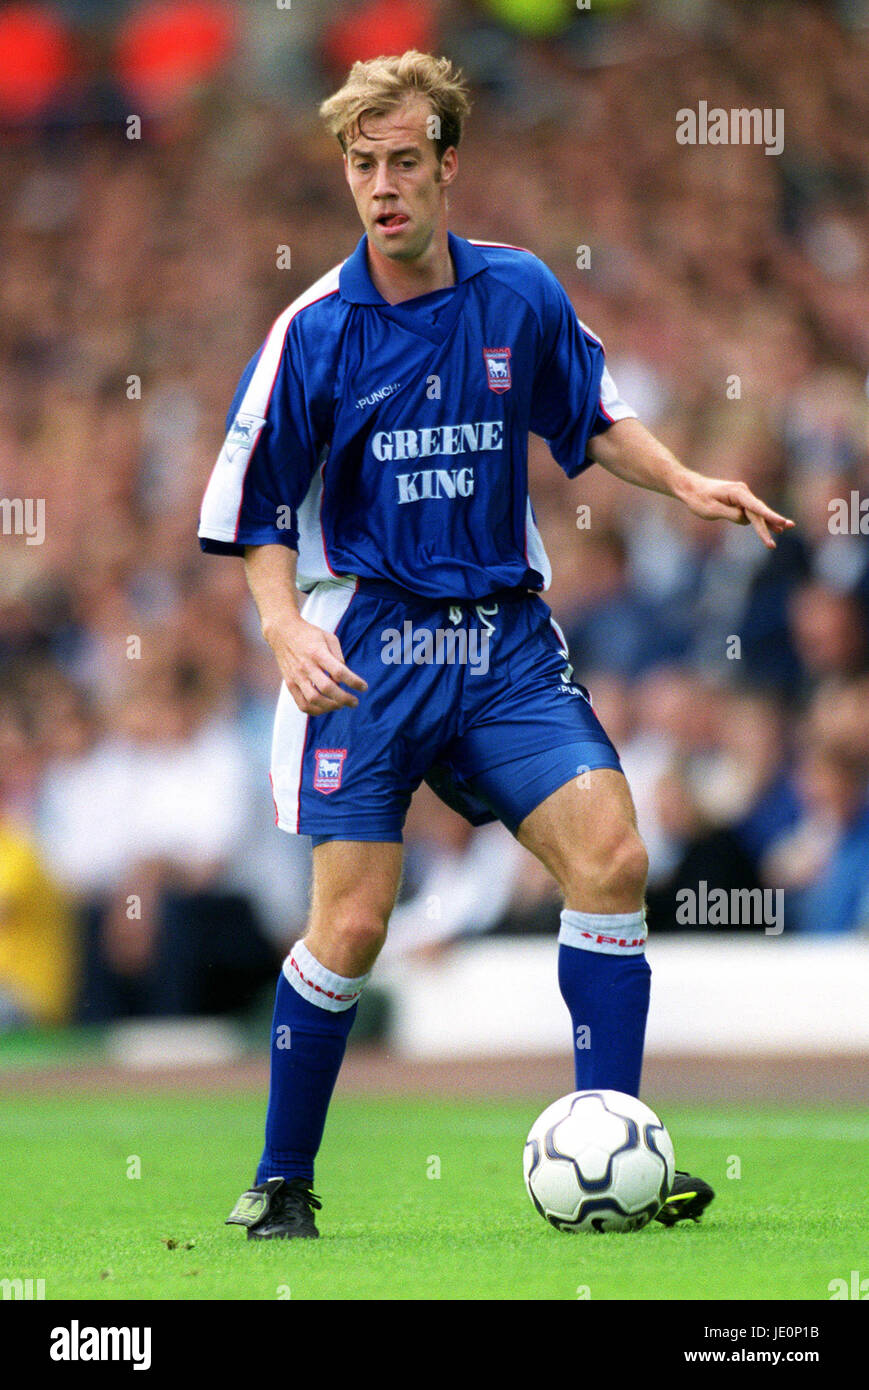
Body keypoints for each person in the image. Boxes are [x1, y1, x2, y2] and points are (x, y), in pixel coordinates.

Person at [199, 51, 793, 1239]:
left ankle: (611, 1141)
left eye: (403, 162)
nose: (381, 186)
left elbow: (592, 419)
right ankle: (281, 1177)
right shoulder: (312, 332)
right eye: (362, 165)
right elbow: (252, 510)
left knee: (612, 857)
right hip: (368, 647)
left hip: (504, 642)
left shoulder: (517, 293)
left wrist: (681, 479)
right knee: (354, 927)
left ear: (446, 165)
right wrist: (277, 630)